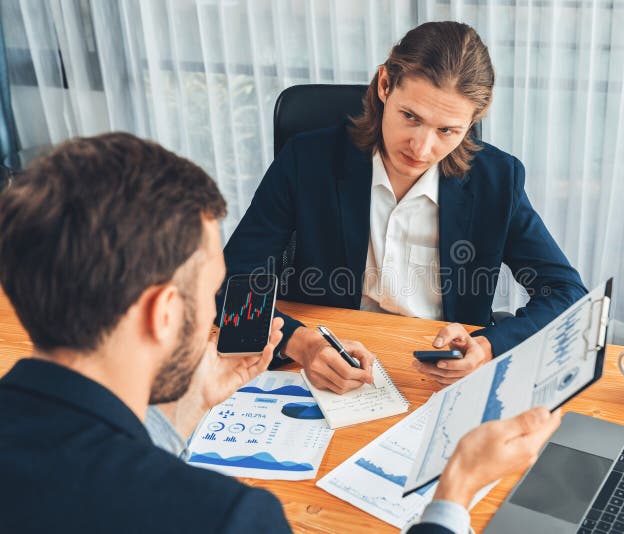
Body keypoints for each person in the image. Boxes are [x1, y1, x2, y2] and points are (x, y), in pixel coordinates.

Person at [0, 133, 562, 534]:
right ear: (163, 314)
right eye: (210, 289)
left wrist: (192, 401)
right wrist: (455, 493)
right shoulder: (229, 518)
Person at [224, 21, 587, 394]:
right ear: (384, 85)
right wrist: (303, 344)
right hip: (326, 362)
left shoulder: (497, 180)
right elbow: (233, 280)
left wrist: (487, 346)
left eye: (447, 130)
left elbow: (566, 293)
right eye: (410, 117)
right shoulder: (307, 159)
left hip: (435, 379)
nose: (421, 147)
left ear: (471, 123)